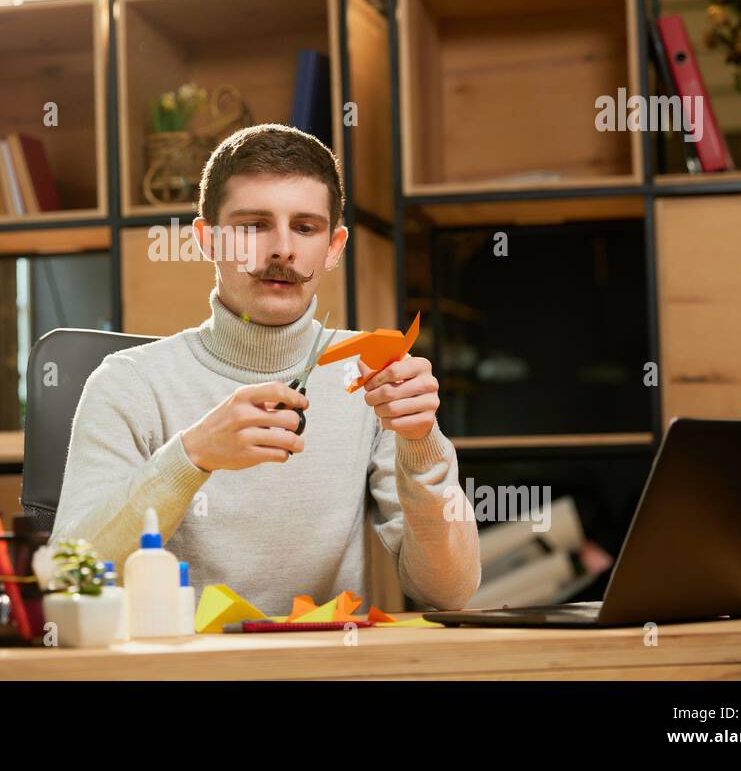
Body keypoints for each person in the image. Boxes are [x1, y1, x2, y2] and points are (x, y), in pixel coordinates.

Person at [51, 123, 481, 613]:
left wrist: (422, 445)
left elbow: (450, 592)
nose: (281, 249)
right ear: (206, 240)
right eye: (253, 225)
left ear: (334, 246)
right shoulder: (128, 383)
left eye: (305, 227)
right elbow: (68, 574)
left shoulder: (375, 374)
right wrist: (192, 457)